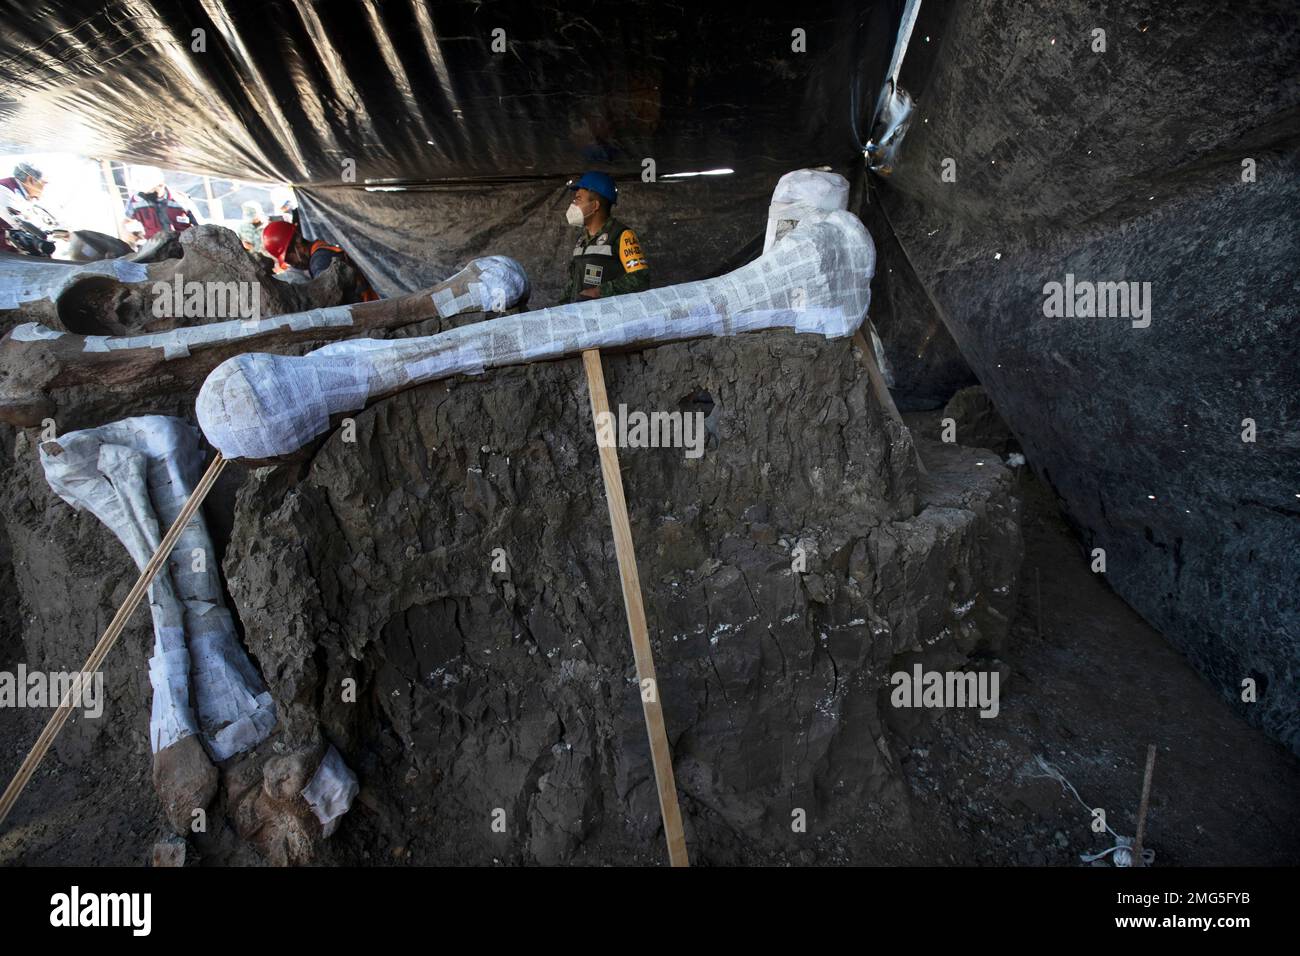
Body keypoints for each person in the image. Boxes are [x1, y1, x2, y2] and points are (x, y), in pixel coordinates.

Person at [561, 171, 649, 304]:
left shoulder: (622, 235)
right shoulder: (582, 240)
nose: (573, 204)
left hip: (610, 318)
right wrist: (563, 305)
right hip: (582, 317)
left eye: (578, 199)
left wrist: (600, 291)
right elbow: (575, 281)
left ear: (595, 206)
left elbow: (640, 279)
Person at [261, 220, 378, 302]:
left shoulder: (321, 260)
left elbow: (328, 298)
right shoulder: (319, 250)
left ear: (297, 239)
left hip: (366, 311)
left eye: (289, 256)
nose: (292, 263)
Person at [123, 166, 199, 239]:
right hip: (155, 247)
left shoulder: (182, 201)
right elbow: (127, 221)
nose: (144, 195)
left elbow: (200, 227)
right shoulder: (135, 201)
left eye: (149, 191)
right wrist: (129, 233)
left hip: (184, 246)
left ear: (160, 185)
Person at [0, 162, 58, 254]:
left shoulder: (24, 195)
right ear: (31, 179)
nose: (45, 188)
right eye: (44, 183)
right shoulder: (3, 189)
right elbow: (19, 225)